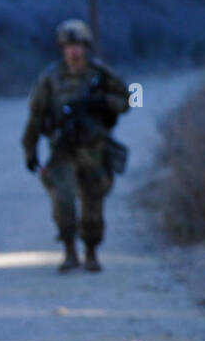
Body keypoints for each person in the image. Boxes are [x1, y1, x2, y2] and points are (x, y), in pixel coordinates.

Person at [22, 19, 131, 273]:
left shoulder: (100, 74)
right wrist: (30, 149)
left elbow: (126, 100)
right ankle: (70, 251)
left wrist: (102, 102)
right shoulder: (50, 78)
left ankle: (91, 252)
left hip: (94, 149)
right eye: (68, 46)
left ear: (86, 46)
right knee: (63, 202)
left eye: (78, 45)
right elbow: (36, 115)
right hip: (63, 150)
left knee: (93, 204)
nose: (73, 51)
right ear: (62, 48)